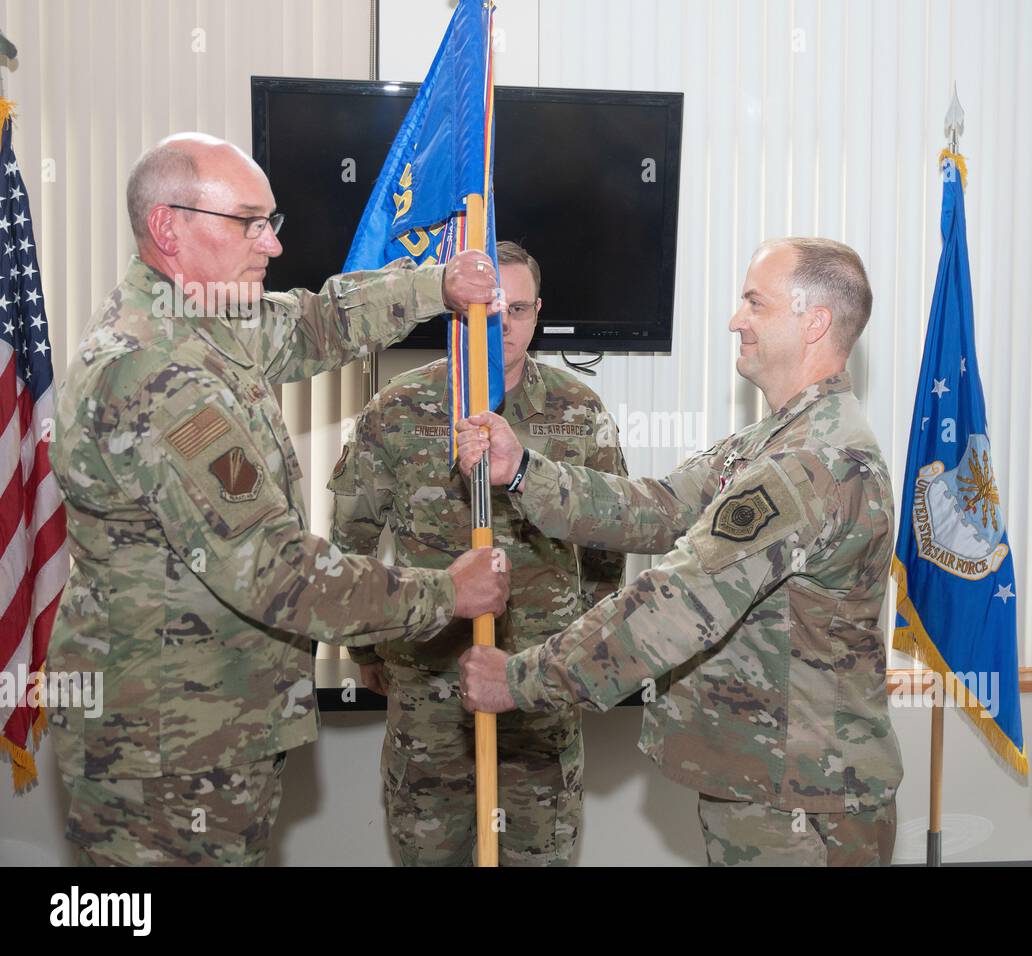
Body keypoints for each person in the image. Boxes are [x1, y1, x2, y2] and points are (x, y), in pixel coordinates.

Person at [47, 132, 510, 867]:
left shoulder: (206, 319)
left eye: (272, 222)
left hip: (215, 724)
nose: (272, 245)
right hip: (169, 754)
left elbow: (316, 323)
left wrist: (436, 286)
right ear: (170, 228)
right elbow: (277, 572)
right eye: (249, 224)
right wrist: (444, 595)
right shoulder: (156, 374)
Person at [457, 238, 902, 866]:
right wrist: (524, 470)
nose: (734, 319)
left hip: (803, 800)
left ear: (815, 322)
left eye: (755, 302)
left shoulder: (811, 462)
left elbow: (675, 602)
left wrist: (518, 679)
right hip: (767, 780)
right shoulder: (773, 440)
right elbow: (659, 506)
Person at [330, 241, 626, 866]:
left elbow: (607, 546)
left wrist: (580, 656)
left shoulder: (579, 414)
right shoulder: (398, 411)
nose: (505, 326)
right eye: (491, 310)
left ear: (538, 313)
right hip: (431, 682)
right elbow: (353, 537)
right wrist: (364, 650)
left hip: (538, 684)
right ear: (461, 311)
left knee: (536, 856)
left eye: (518, 310)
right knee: (429, 853)